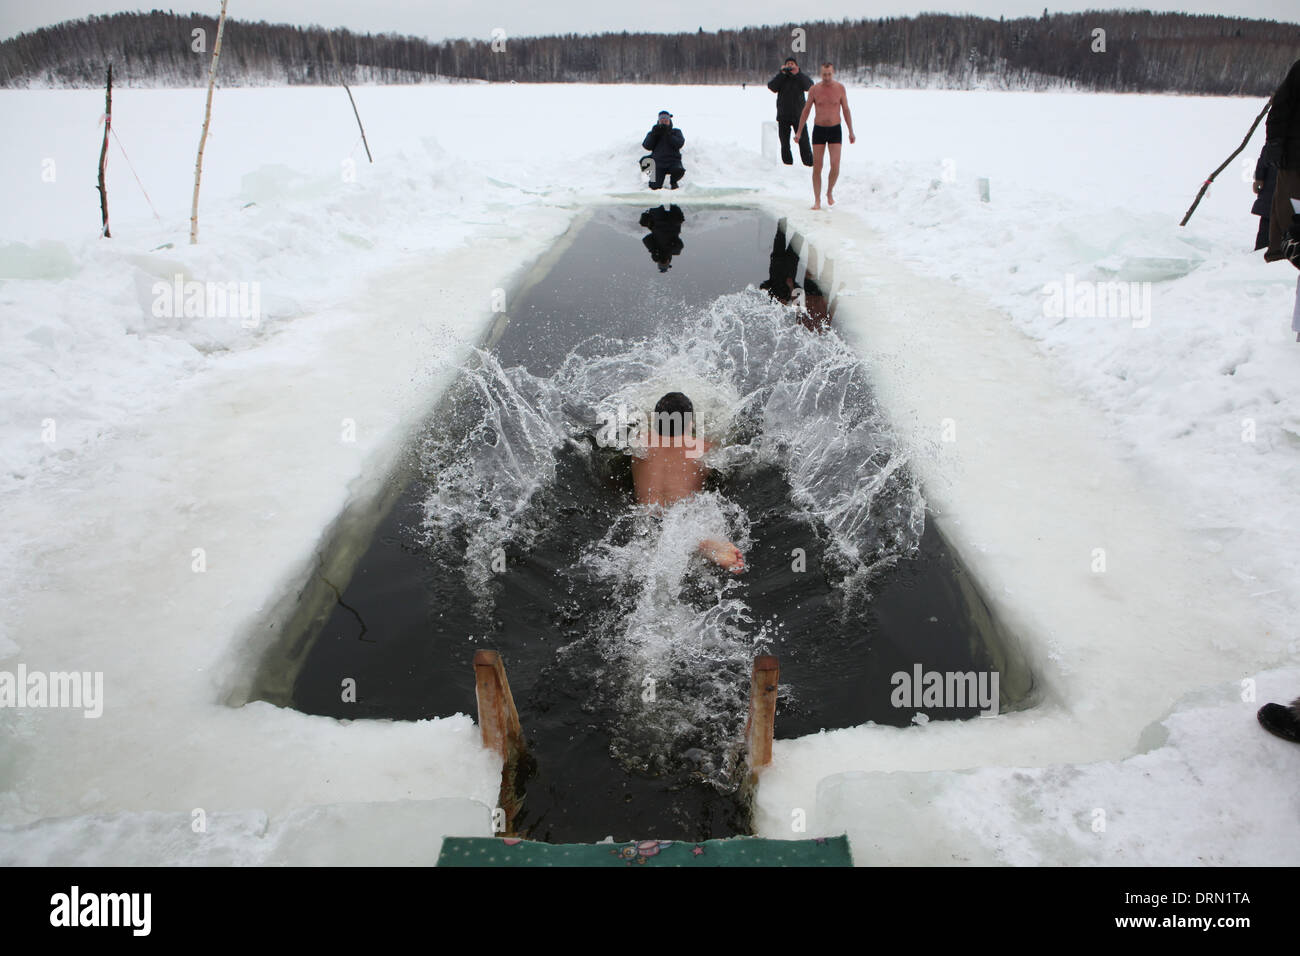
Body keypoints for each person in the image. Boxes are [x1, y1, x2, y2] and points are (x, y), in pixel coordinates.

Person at [630, 392, 744, 572]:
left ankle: (701, 544)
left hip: (646, 519)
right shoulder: (703, 447)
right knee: (688, 530)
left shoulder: (638, 442)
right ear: (690, 423)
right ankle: (703, 544)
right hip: (682, 517)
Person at [794, 63, 856, 210]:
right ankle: (817, 200)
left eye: (829, 74)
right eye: (824, 74)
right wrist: (799, 131)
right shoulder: (815, 90)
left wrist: (851, 131)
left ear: (833, 73)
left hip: (835, 129)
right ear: (820, 74)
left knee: (835, 165)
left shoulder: (840, 88)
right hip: (819, 130)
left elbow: (846, 110)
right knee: (818, 166)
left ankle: (829, 191)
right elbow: (806, 111)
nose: (827, 77)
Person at [767, 57, 814, 167]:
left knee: (804, 141)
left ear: (797, 66)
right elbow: (772, 86)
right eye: (788, 64)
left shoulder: (800, 77)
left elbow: (810, 86)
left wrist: (798, 74)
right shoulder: (782, 77)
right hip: (783, 115)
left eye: (792, 64)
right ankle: (787, 165)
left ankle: (809, 163)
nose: (790, 66)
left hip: (799, 115)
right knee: (784, 143)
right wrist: (782, 74)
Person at [643, 111, 685, 190]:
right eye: (662, 121)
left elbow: (679, 144)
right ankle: (649, 181)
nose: (664, 123)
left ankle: (673, 182)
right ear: (658, 122)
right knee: (654, 186)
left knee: (679, 170)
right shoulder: (654, 133)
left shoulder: (676, 132)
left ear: (670, 121)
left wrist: (668, 134)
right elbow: (647, 146)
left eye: (666, 121)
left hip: (673, 161)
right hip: (658, 163)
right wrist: (653, 134)